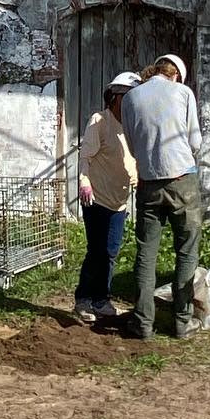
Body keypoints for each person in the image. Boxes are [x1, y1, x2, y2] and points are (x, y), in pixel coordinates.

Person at [116, 53, 203, 340]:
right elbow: (195, 141)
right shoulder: (182, 92)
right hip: (182, 181)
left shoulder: (130, 98)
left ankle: (142, 323)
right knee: (187, 251)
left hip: (148, 184)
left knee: (146, 253)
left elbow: (130, 141)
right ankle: (182, 322)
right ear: (176, 74)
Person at [74, 70, 141, 325]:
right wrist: (84, 181)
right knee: (97, 250)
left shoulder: (133, 126)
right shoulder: (99, 121)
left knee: (111, 251)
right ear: (115, 97)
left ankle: (102, 299)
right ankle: (83, 299)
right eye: (127, 97)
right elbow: (85, 156)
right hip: (97, 197)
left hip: (119, 200)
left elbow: (132, 158)